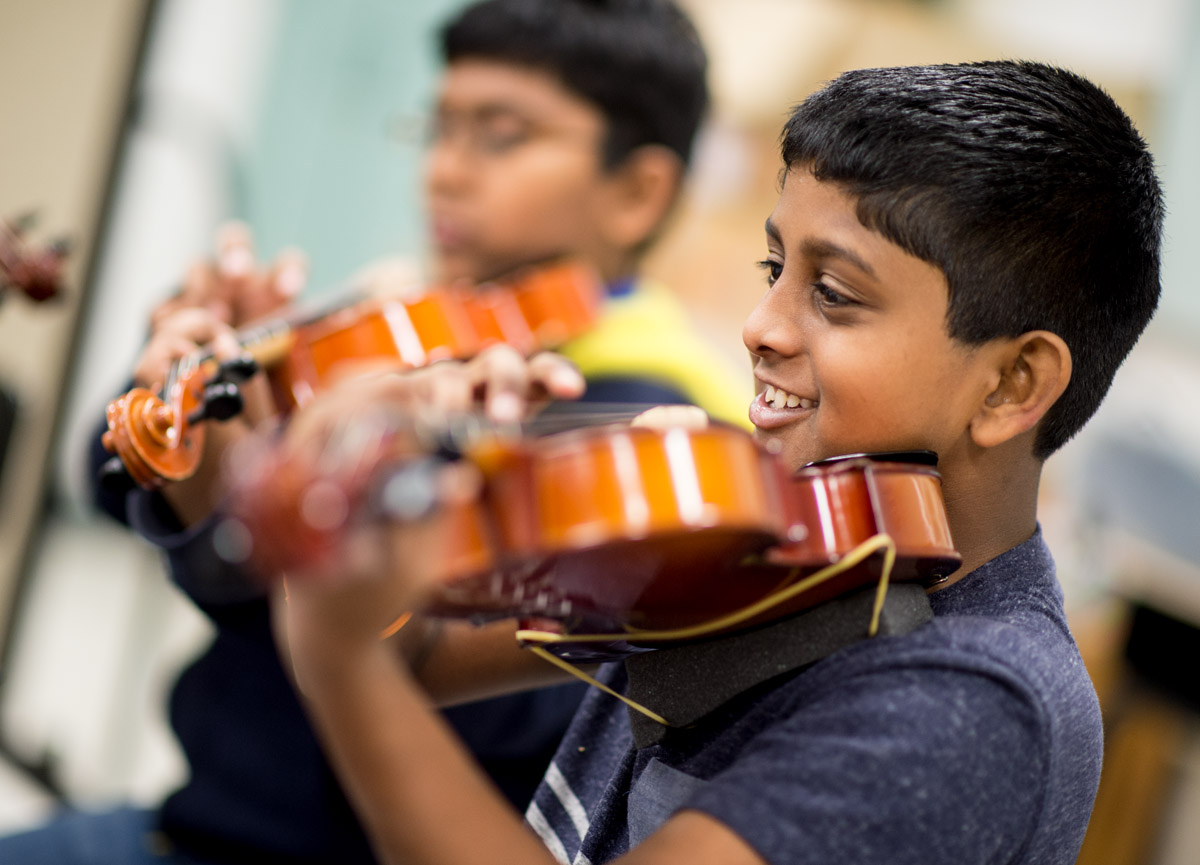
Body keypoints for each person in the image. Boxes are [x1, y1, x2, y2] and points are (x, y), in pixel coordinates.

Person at [268, 59, 1164, 865]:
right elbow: (415, 651)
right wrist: (382, 472)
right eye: (774, 269)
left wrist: (341, 658)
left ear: (1012, 383)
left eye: (833, 294)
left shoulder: (977, 703)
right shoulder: (778, 542)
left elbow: (362, 662)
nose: (760, 325)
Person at [0, 1, 746, 863]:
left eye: (500, 136)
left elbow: (517, 710)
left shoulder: (647, 428)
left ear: (637, 192)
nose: (443, 171)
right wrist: (188, 391)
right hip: (197, 819)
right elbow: (106, 470)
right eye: (439, 129)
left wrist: (277, 515)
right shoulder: (397, 323)